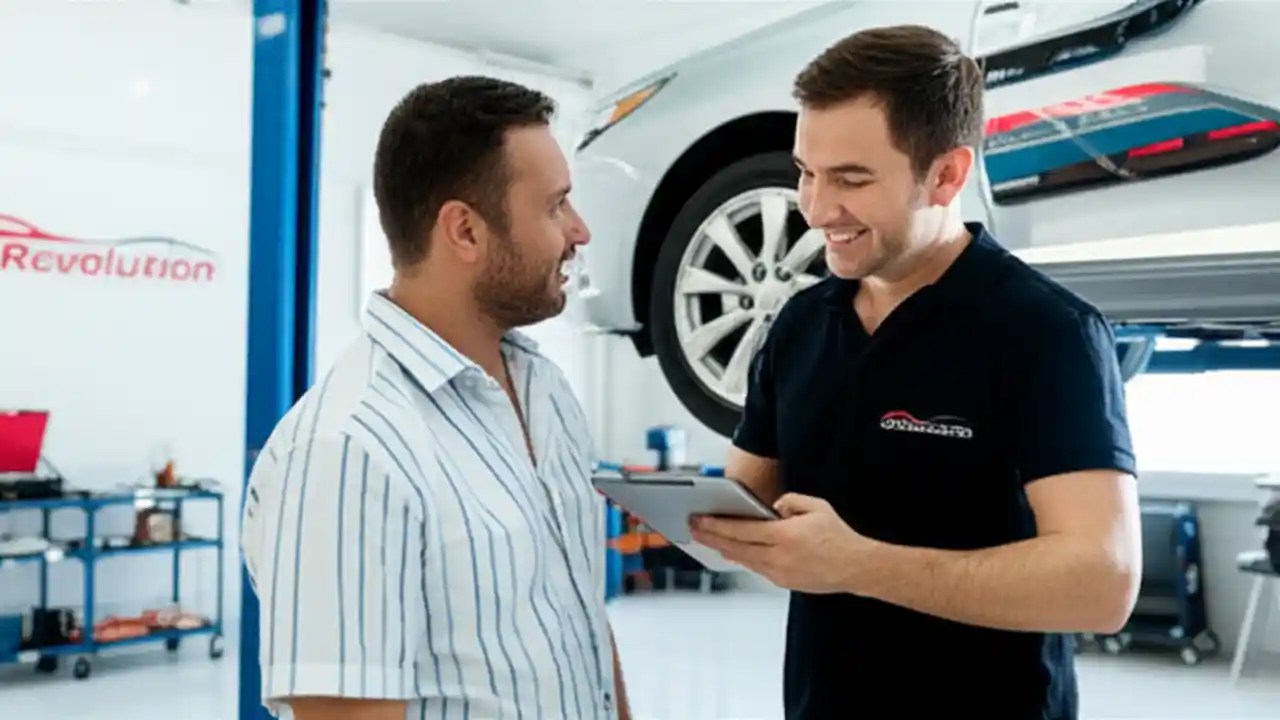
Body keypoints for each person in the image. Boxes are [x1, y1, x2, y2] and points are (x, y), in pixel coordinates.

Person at [689, 25, 1142, 720]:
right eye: (806, 172)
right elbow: (746, 503)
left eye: (851, 179)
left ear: (947, 173)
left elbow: (1102, 585)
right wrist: (694, 514)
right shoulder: (800, 325)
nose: (814, 209)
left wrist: (856, 563)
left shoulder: (1048, 333)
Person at [240, 75, 629, 720]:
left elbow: (582, 624)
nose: (578, 231)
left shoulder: (546, 391)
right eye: (556, 206)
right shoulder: (348, 450)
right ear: (466, 232)